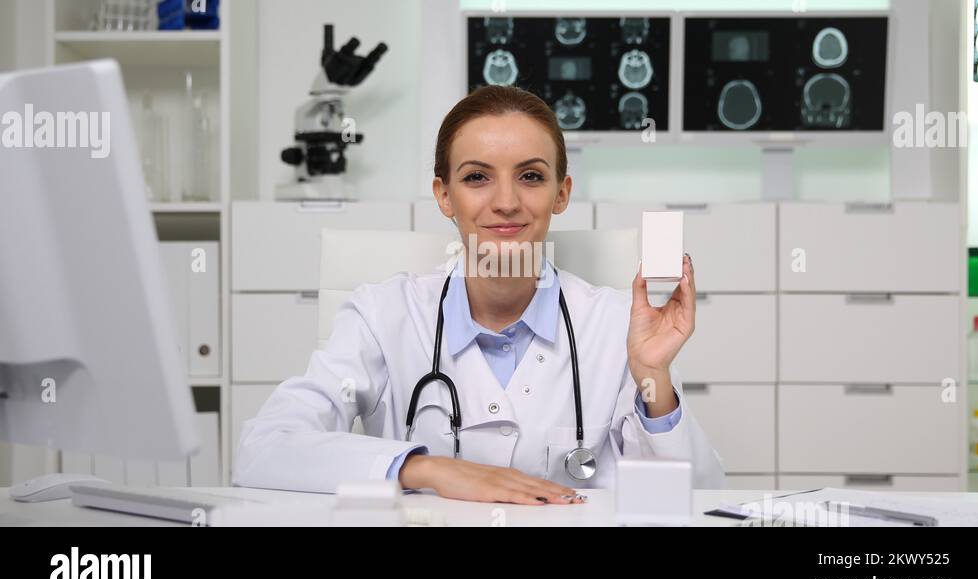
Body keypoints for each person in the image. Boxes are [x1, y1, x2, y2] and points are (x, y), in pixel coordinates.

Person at [233, 85, 724, 504]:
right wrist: (428, 470)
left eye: (530, 176)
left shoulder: (616, 326)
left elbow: (696, 496)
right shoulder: (382, 316)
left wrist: (653, 379)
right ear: (444, 195)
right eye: (476, 177)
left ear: (562, 192)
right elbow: (264, 448)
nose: (506, 202)